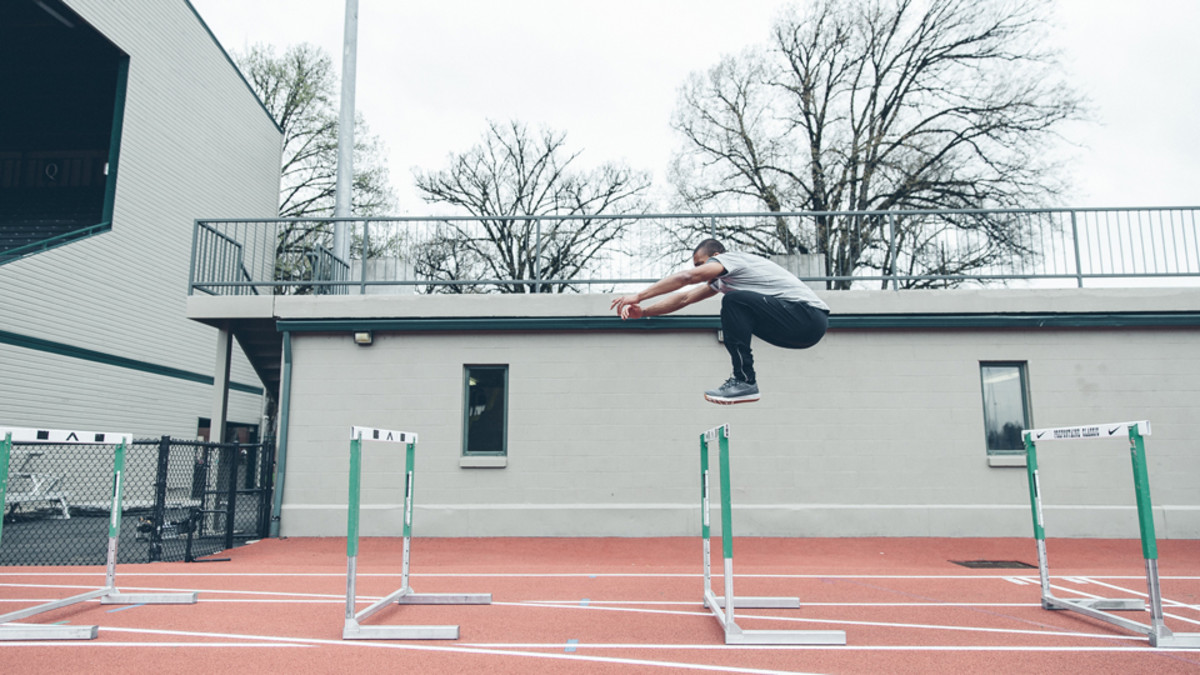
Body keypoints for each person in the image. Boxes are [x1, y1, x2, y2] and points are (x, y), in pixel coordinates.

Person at [610, 238, 830, 404]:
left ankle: (744, 380)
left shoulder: (730, 259)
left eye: (701, 264)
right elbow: (685, 297)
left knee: (734, 301)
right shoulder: (723, 282)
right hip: (799, 333)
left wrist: (638, 296)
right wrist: (645, 312)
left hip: (807, 316)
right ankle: (744, 381)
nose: (700, 271)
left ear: (715, 256)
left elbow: (687, 278)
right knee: (736, 307)